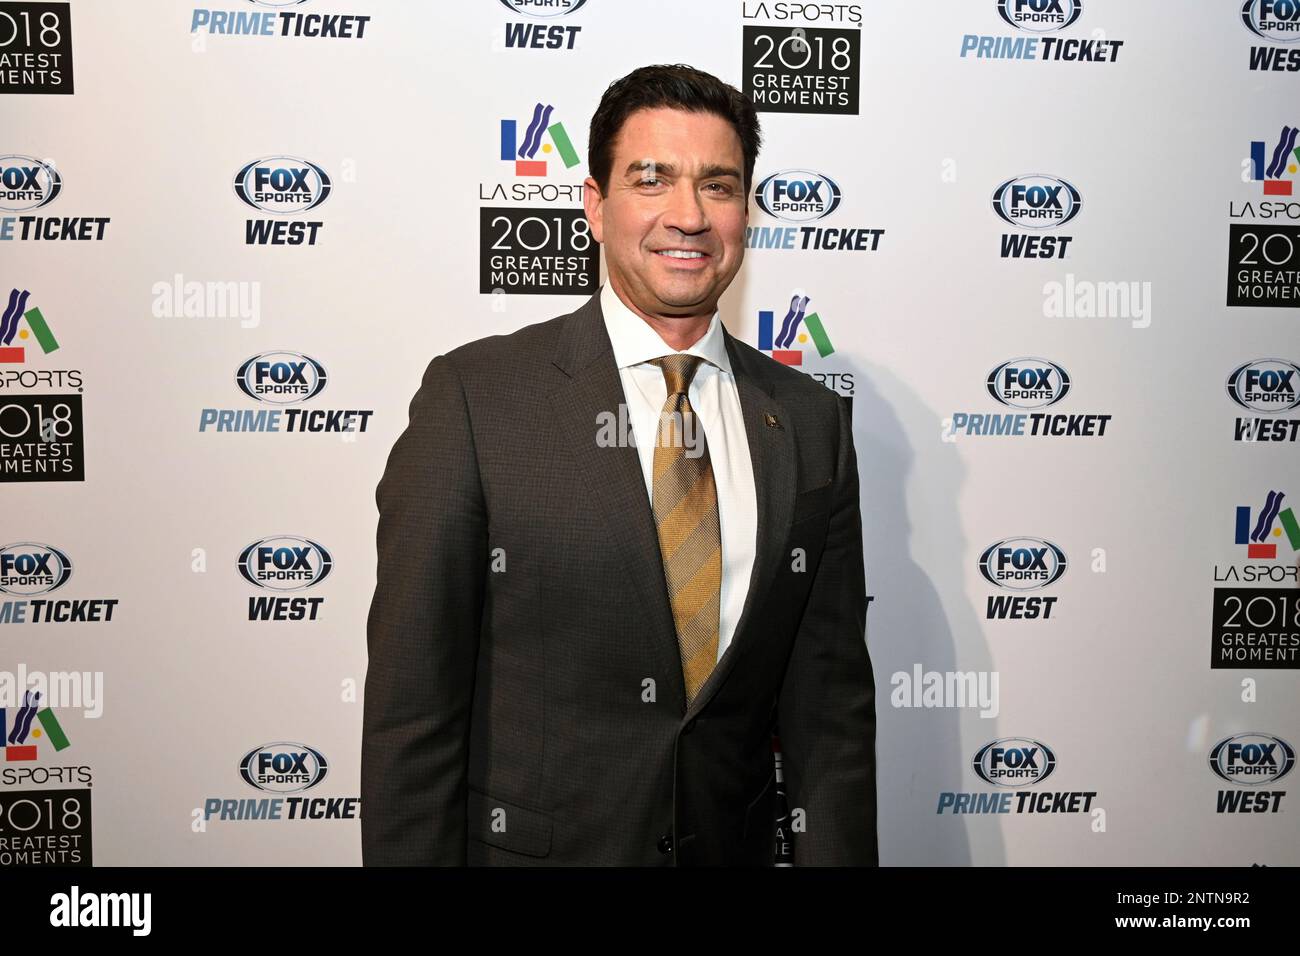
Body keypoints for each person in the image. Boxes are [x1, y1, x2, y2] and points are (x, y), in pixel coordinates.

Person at [361, 63, 876, 866]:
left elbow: (831, 716)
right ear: (595, 207)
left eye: (719, 185)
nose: (688, 215)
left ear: (746, 211)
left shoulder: (808, 423)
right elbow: (412, 713)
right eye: (652, 179)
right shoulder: (475, 400)